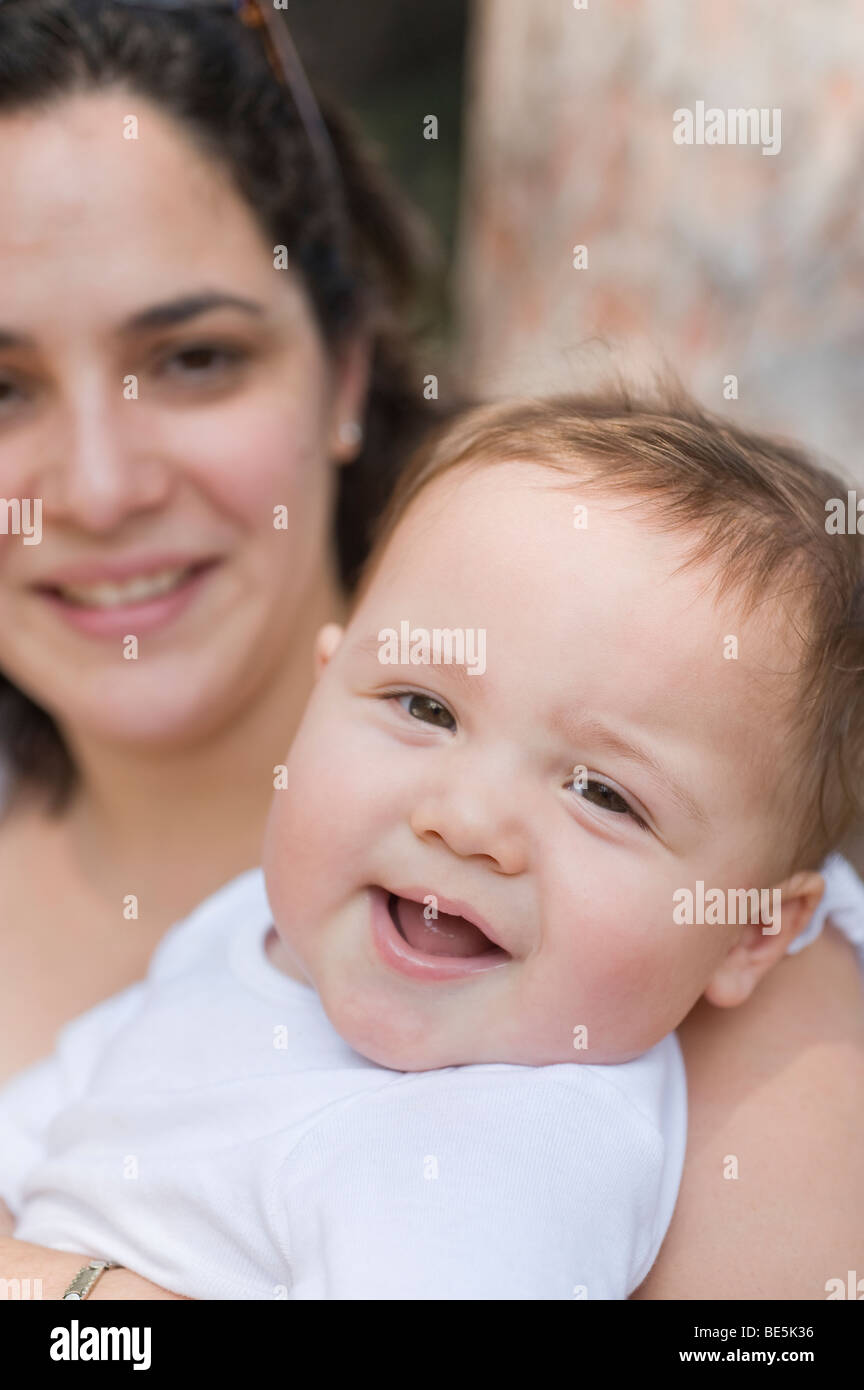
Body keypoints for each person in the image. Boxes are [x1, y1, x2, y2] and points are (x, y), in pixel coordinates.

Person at [0, 1, 862, 1300]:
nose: (102, 484)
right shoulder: (255, 940)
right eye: (1, 388)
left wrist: (74, 1303)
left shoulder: (689, 1033)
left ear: (348, 372)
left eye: (192, 357)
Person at [6, 389, 864, 1299]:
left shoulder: (502, 1150)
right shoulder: (251, 931)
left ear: (753, 932)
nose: (465, 820)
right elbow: (41, 1136)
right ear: (322, 690)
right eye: (426, 708)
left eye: (603, 794)